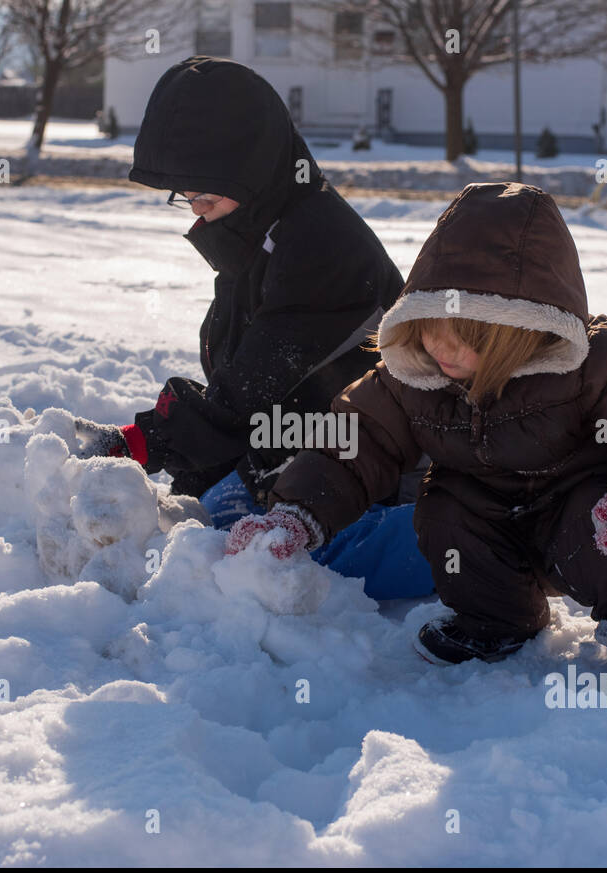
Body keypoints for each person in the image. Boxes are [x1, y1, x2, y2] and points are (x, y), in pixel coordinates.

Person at [226, 182, 607, 686]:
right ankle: (499, 619)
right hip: (498, 522)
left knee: (590, 517)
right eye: (427, 326)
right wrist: (295, 513)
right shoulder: (416, 377)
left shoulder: (596, 363)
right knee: (444, 504)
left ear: (518, 329)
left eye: (466, 338)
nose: (441, 349)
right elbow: (354, 442)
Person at [71, 56, 434, 600]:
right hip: (301, 452)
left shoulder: (319, 246)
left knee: (233, 553)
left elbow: (253, 389)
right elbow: (246, 386)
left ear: (249, 165)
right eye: (183, 193)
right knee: (200, 531)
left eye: (202, 189)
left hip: (371, 473)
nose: (193, 205)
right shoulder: (261, 231)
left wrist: (146, 440)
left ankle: (461, 550)